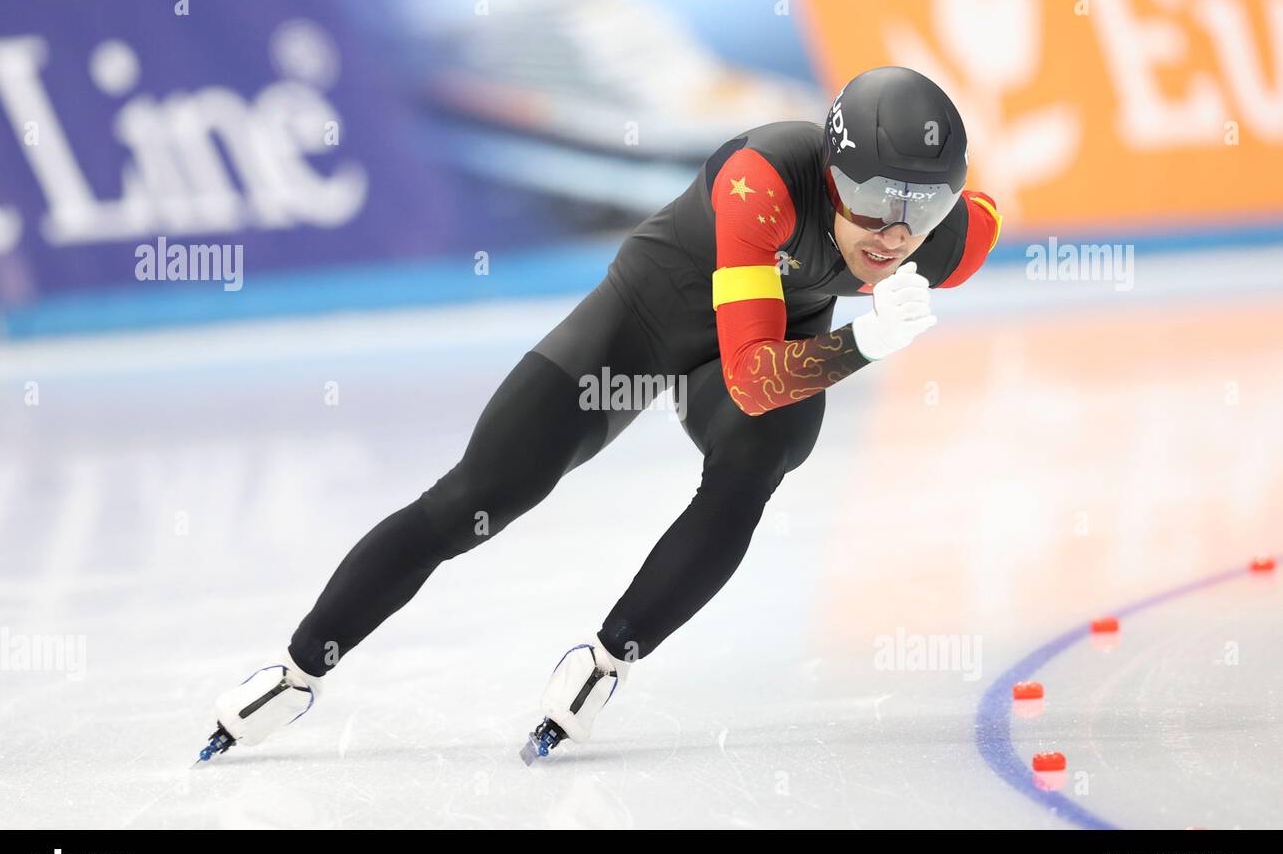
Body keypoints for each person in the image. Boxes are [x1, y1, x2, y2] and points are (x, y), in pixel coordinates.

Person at [198, 66, 1003, 764]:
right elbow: (755, 378)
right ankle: (299, 670)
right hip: (644, 325)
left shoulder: (943, 238)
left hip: (772, 341)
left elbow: (987, 218)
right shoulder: (762, 181)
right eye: (871, 199)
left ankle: (610, 655)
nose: (893, 233)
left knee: (751, 472)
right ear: (830, 175)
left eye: (922, 206)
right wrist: (862, 343)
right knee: (475, 500)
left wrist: (876, 297)